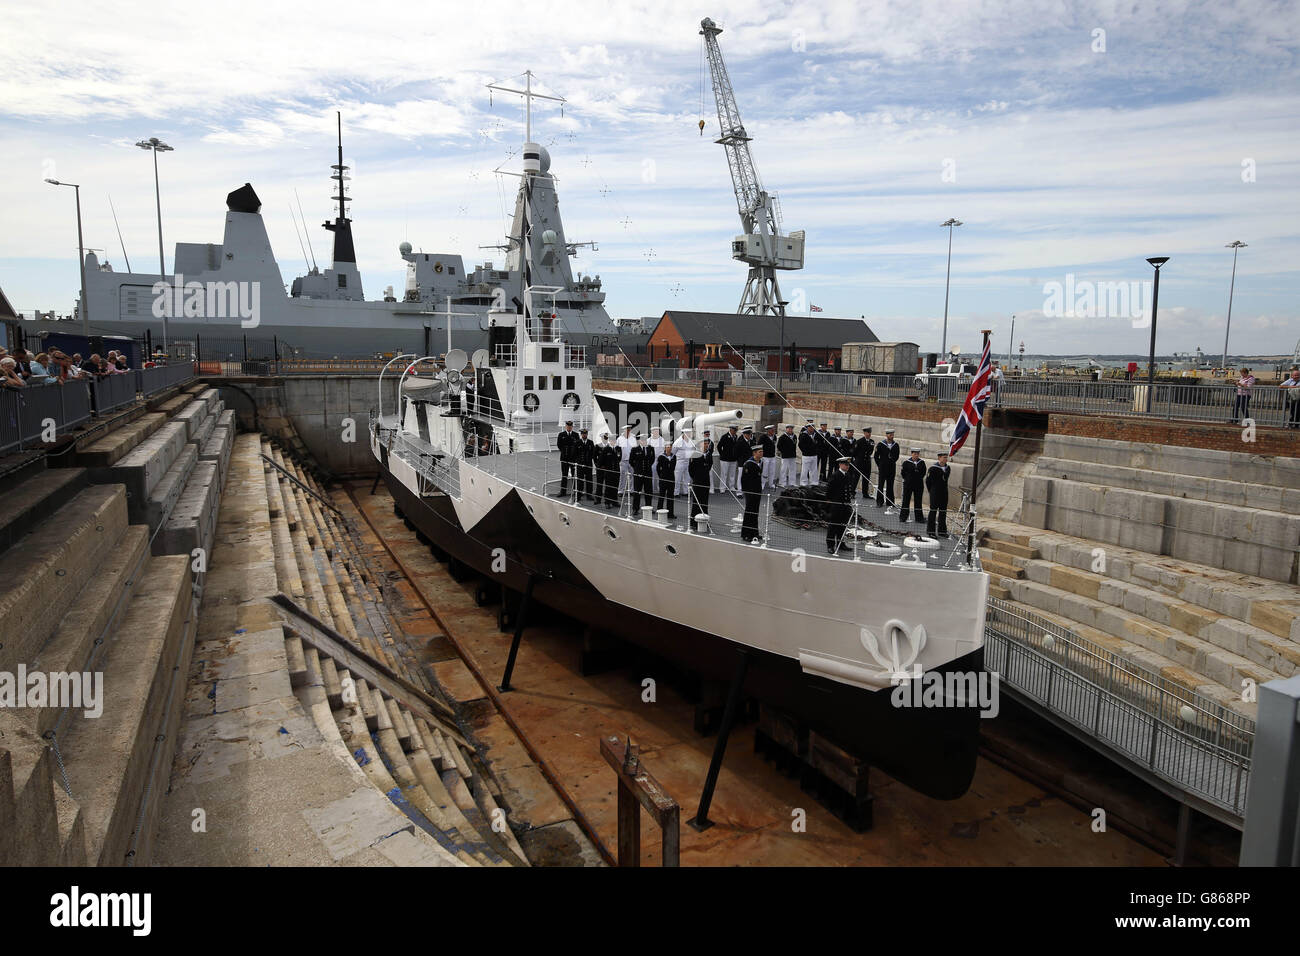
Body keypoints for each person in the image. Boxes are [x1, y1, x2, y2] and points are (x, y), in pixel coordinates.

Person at [825, 456, 853, 554]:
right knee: (833, 525)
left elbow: (848, 490)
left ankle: (841, 544)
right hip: (837, 505)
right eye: (846, 464)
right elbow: (829, 490)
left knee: (842, 526)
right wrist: (831, 502)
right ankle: (830, 545)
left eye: (848, 464)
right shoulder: (835, 475)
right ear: (840, 465)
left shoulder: (847, 475)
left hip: (845, 505)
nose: (847, 466)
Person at [688, 435, 714, 528]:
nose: (707, 445)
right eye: (705, 443)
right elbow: (691, 470)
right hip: (697, 481)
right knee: (696, 502)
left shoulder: (708, 454)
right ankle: (694, 521)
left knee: (704, 502)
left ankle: (704, 520)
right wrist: (696, 478)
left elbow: (709, 466)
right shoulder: (695, 454)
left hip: (706, 481)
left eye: (707, 443)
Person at [740, 443, 764, 543]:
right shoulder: (749, 464)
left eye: (762, 451)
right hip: (750, 492)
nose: (762, 453)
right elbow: (743, 479)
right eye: (760, 452)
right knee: (749, 512)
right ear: (754, 453)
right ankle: (746, 534)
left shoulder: (760, 462)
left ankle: (754, 532)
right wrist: (746, 492)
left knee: (755, 512)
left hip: (757, 491)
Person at [926, 452, 952, 537]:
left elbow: (945, 479)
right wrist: (932, 491)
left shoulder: (947, 468)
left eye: (946, 457)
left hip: (944, 493)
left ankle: (942, 531)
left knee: (943, 512)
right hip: (935, 493)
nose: (945, 459)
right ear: (939, 458)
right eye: (944, 457)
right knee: (933, 511)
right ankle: (931, 531)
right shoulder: (933, 469)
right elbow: (928, 481)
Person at [629, 434, 655, 515]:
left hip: (648, 473)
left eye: (645, 440)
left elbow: (652, 459)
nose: (644, 441)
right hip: (638, 473)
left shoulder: (651, 448)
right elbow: (631, 461)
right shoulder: (635, 449)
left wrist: (647, 467)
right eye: (642, 440)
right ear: (639, 441)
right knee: (637, 491)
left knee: (648, 491)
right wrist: (637, 468)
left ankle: (649, 507)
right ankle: (635, 509)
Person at [899, 448, 926, 523]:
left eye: (917, 454)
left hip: (918, 485)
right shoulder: (906, 463)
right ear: (912, 454)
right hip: (908, 484)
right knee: (906, 501)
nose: (916, 455)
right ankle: (903, 517)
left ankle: (919, 518)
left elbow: (923, 472)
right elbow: (903, 473)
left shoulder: (921, 463)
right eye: (915, 454)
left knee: (918, 501)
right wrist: (908, 479)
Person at [874, 429, 899, 507]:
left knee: (890, 485)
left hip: (891, 468)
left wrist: (891, 461)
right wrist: (880, 464)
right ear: (887, 435)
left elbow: (897, 456)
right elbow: (876, 456)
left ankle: (890, 502)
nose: (891, 436)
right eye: (890, 435)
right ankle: (879, 501)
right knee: (881, 485)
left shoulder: (895, 445)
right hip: (883, 468)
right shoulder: (881, 444)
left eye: (892, 435)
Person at [596, 436, 621, 509]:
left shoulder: (618, 448)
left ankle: (614, 501)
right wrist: (603, 468)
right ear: (609, 441)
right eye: (612, 440)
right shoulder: (606, 449)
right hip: (609, 472)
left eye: (614, 440)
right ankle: (607, 502)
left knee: (615, 487)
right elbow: (600, 461)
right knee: (608, 487)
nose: (613, 442)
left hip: (616, 471)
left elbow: (619, 458)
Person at [556, 420, 579, 496]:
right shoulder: (561, 434)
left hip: (573, 458)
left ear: (572, 427)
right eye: (568, 426)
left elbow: (577, 446)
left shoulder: (576, 435)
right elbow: (559, 445)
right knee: (564, 475)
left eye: (570, 426)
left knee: (574, 475)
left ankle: (575, 492)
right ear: (566, 426)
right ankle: (563, 492)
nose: (569, 427)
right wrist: (565, 452)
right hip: (564, 458)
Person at [655, 444, 677, 520]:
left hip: (671, 479)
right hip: (663, 479)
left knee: (670, 497)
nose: (669, 448)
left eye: (670, 447)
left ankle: (670, 513)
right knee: (661, 495)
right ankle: (659, 511)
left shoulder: (674, 457)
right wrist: (661, 476)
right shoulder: (661, 457)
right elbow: (658, 468)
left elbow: (673, 467)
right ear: (665, 448)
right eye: (668, 447)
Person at [717, 424, 739, 494]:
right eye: (734, 430)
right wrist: (722, 454)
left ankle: (731, 486)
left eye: (736, 430)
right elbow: (719, 446)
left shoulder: (736, 437)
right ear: (731, 429)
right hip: (725, 459)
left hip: (733, 459)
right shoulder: (725, 436)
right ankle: (722, 488)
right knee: (724, 474)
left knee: (732, 474)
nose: (735, 432)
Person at [671, 427, 693, 496]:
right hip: (680, 461)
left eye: (689, 433)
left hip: (687, 461)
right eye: (687, 433)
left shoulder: (690, 441)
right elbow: (673, 452)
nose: (689, 434)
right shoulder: (678, 442)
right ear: (684, 433)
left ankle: (686, 492)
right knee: (677, 478)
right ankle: (675, 492)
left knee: (687, 478)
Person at [854, 427, 874, 500]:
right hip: (859, 462)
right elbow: (855, 452)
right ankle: (852, 492)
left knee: (866, 479)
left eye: (870, 433)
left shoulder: (872, 442)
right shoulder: (859, 441)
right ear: (864, 433)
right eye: (867, 433)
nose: (869, 434)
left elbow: (870, 452)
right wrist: (857, 459)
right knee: (856, 478)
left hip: (867, 463)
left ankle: (865, 493)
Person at [575, 428, 596, 501]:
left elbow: (593, 454)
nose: (584, 435)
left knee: (589, 480)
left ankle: (589, 495)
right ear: (581, 434)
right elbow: (574, 454)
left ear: (587, 434)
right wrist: (577, 463)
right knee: (580, 481)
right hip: (580, 465)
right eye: (583, 434)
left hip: (588, 464)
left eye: (585, 433)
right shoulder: (577, 442)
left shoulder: (591, 443)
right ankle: (578, 496)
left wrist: (595, 464)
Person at [797, 421, 819, 486]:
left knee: (814, 470)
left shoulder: (816, 435)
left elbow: (819, 443)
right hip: (806, 456)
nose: (812, 429)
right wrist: (805, 451)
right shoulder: (804, 435)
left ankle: (814, 482)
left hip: (814, 455)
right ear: (807, 428)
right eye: (810, 427)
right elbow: (800, 445)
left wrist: (816, 450)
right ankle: (803, 483)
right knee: (805, 470)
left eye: (813, 427)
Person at [776, 423, 798, 488]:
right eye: (789, 428)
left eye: (791, 429)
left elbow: (795, 444)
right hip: (785, 456)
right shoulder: (782, 437)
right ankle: (782, 482)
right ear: (786, 429)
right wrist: (784, 451)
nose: (790, 430)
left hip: (792, 455)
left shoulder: (794, 436)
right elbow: (779, 446)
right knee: (784, 469)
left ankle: (792, 482)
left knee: (793, 469)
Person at [616, 425, 635, 493]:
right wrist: (619, 459)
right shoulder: (619, 439)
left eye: (629, 430)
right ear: (624, 430)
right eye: (627, 430)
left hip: (631, 460)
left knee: (632, 476)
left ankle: (631, 491)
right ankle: (621, 491)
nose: (628, 431)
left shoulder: (633, 438)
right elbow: (617, 450)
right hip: (623, 460)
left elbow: (635, 449)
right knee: (622, 476)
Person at [649, 426, 665, 494]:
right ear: (652, 432)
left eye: (657, 430)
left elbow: (664, 450)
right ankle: (651, 489)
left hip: (660, 460)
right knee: (652, 476)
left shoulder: (662, 440)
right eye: (654, 430)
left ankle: (659, 489)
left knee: (659, 475)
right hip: (651, 460)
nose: (656, 432)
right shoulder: (648, 440)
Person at [760, 424, 777, 489]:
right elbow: (759, 446)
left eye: (773, 429)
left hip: (772, 456)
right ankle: (762, 484)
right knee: (765, 471)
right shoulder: (763, 437)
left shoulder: (774, 437)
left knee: (772, 471)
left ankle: (771, 484)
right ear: (768, 431)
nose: (773, 430)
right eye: (772, 430)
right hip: (765, 457)